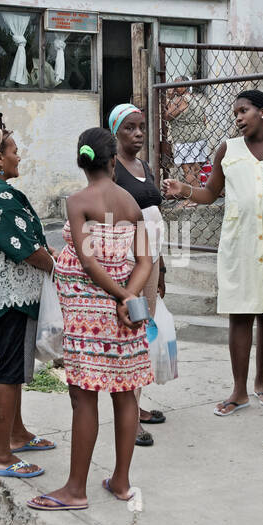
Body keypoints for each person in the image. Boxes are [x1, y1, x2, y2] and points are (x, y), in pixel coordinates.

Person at [28, 129, 153, 511]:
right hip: (124, 317)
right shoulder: (131, 202)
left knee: (84, 398)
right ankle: (121, 481)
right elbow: (145, 260)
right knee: (125, 392)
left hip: (89, 314)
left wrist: (119, 295)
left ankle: (76, 490)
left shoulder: (78, 200)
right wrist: (130, 296)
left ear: (82, 162)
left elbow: (86, 259)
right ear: (113, 161)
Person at [161, 89, 263, 417]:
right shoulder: (227, 149)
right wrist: (185, 189)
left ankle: (261, 382)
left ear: (262, 112)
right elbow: (210, 192)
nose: (237, 117)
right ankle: (239, 389)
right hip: (239, 242)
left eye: (244, 110)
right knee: (240, 313)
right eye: (235, 112)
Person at [0, 124, 56, 479]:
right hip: (12, 297)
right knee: (10, 371)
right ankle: (1, 455)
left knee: (12, 367)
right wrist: (58, 266)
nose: (19, 155)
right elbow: (22, 248)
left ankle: (17, 434)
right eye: (14, 150)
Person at [109, 103, 168, 447]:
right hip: (129, 264)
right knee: (131, 336)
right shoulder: (112, 169)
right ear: (115, 132)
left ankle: (137, 403)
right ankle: (128, 417)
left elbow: (155, 217)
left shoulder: (144, 166)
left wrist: (162, 270)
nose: (138, 134)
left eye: (142, 127)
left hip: (151, 260)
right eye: (130, 128)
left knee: (143, 336)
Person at [163, 82, 211, 185]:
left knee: (187, 168)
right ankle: (198, 194)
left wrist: (168, 98)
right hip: (199, 135)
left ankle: (193, 198)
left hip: (185, 137)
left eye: (178, 86)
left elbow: (167, 116)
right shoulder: (195, 99)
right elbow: (204, 118)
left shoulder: (181, 99)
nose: (175, 88)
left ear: (185, 86)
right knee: (196, 168)